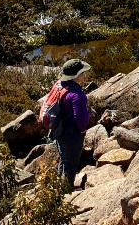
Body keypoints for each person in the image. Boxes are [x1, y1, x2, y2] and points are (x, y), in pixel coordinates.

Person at [52, 59, 92, 188]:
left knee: (64, 160)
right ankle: (65, 194)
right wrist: (82, 130)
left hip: (58, 130)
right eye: (83, 73)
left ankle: (57, 189)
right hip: (71, 135)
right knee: (71, 165)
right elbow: (80, 119)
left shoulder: (60, 84)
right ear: (77, 75)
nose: (85, 75)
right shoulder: (76, 94)